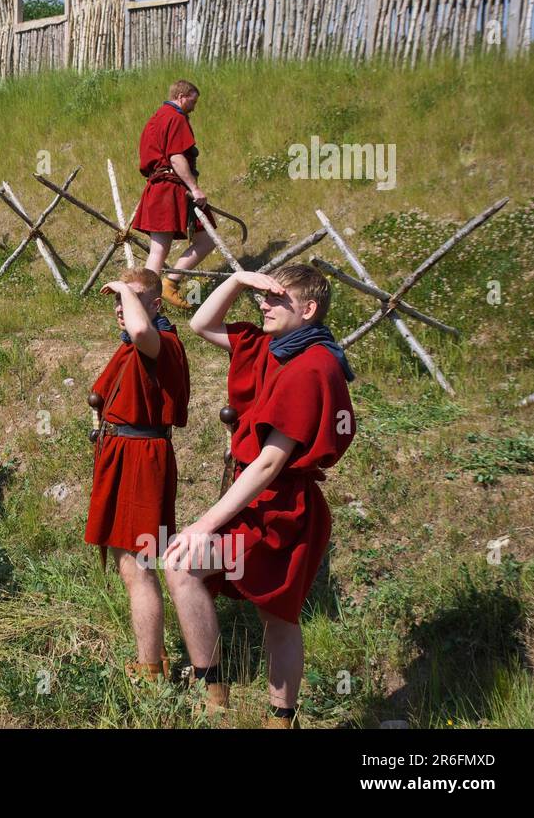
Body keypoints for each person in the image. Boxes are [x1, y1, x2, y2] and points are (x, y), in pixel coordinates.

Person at [166, 264, 355, 728]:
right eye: (263, 297)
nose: (264, 305)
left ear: (308, 310)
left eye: (277, 298)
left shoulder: (313, 365)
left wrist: (204, 523)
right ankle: (215, 691)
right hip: (256, 498)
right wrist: (239, 280)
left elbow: (271, 462)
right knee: (183, 567)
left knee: (276, 616)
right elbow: (200, 324)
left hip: (284, 507)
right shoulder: (271, 347)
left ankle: (273, 717)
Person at [89, 268, 190, 683]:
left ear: (155, 305)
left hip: (139, 460)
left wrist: (126, 294)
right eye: (117, 301)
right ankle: (155, 656)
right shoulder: (136, 344)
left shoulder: (159, 343)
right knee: (131, 564)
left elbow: (140, 329)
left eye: (130, 298)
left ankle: (151, 672)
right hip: (123, 454)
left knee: (138, 567)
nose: (120, 308)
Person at [130, 80, 217, 309]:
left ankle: (144, 298)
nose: (194, 106)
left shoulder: (156, 117)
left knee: (160, 249)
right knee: (207, 239)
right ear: (181, 95)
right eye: (193, 100)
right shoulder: (175, 117)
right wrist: (194, 188)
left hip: (160, 187)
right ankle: (166, 285)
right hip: (171, 188)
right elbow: (176, 157)